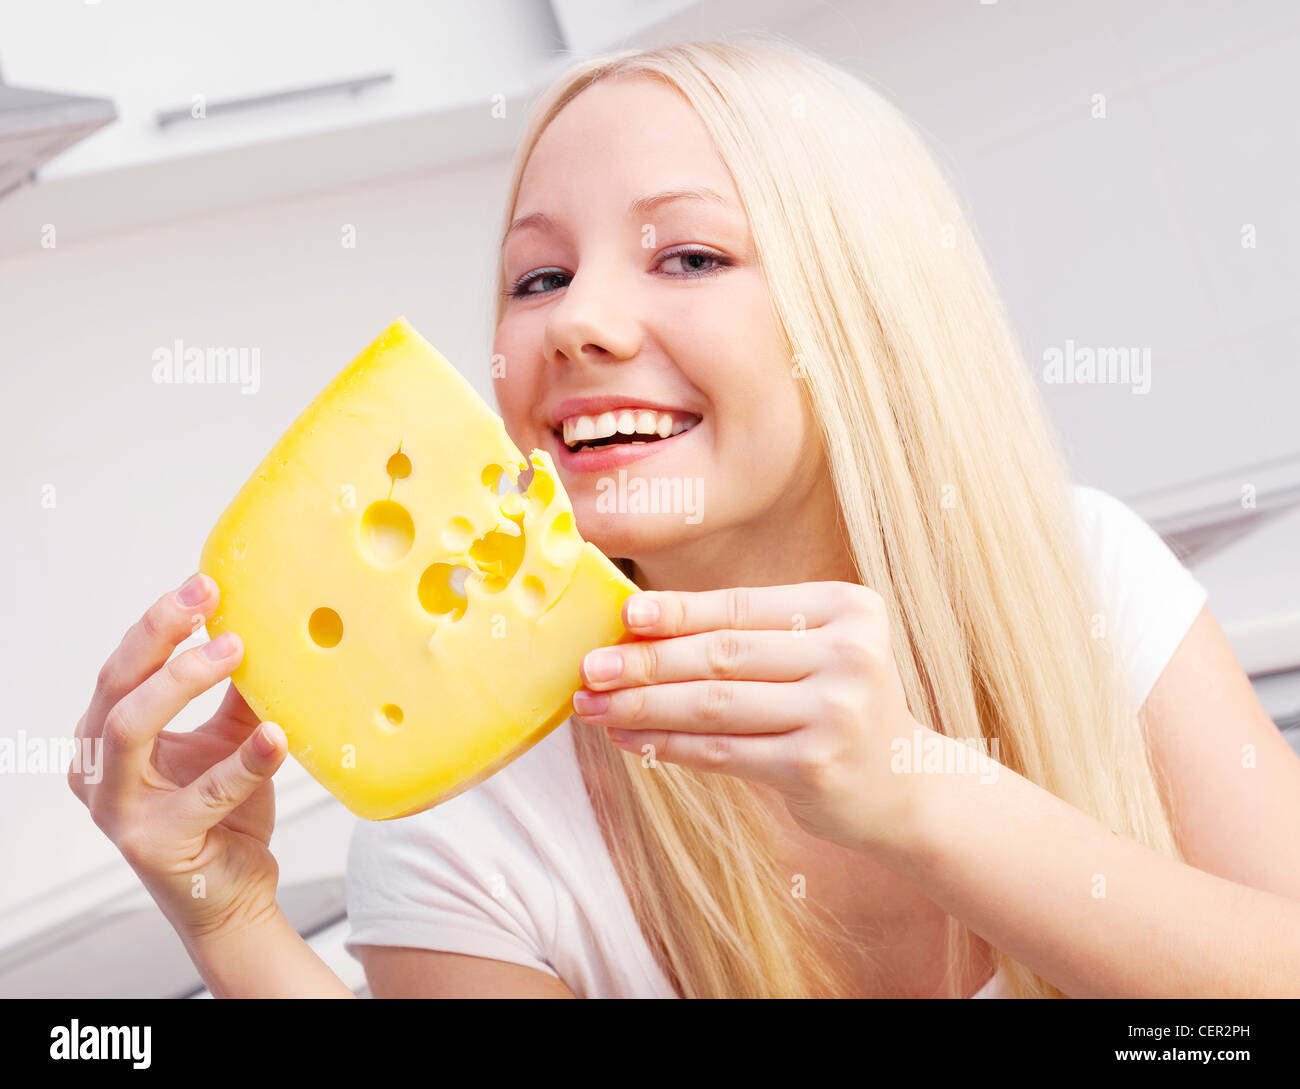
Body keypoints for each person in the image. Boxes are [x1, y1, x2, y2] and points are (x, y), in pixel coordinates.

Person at [70, 36, 1300, 999]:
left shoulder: (1084, 582)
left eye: (690, 258)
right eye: (538, 277)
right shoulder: (470, 827)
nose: (576, 321)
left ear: (866, 313)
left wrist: (917, 795)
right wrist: (230, 918)